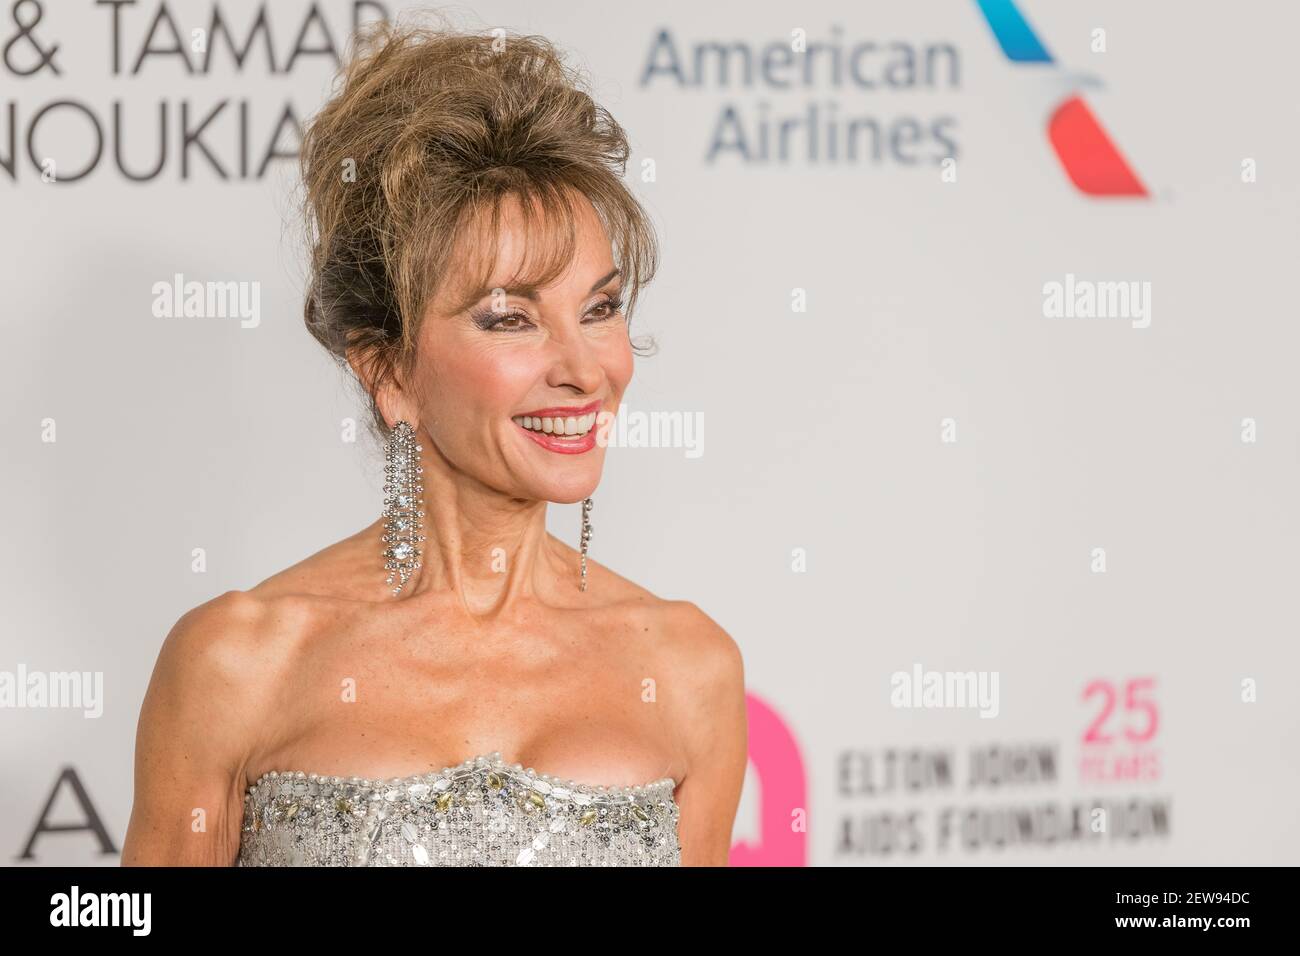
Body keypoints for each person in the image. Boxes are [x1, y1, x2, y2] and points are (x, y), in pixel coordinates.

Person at [120, 15, 747, 867]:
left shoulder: (689, 669)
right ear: (390, 374)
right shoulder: (238, 662)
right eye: (509, 318)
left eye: (598, 308)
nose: (584, 368)